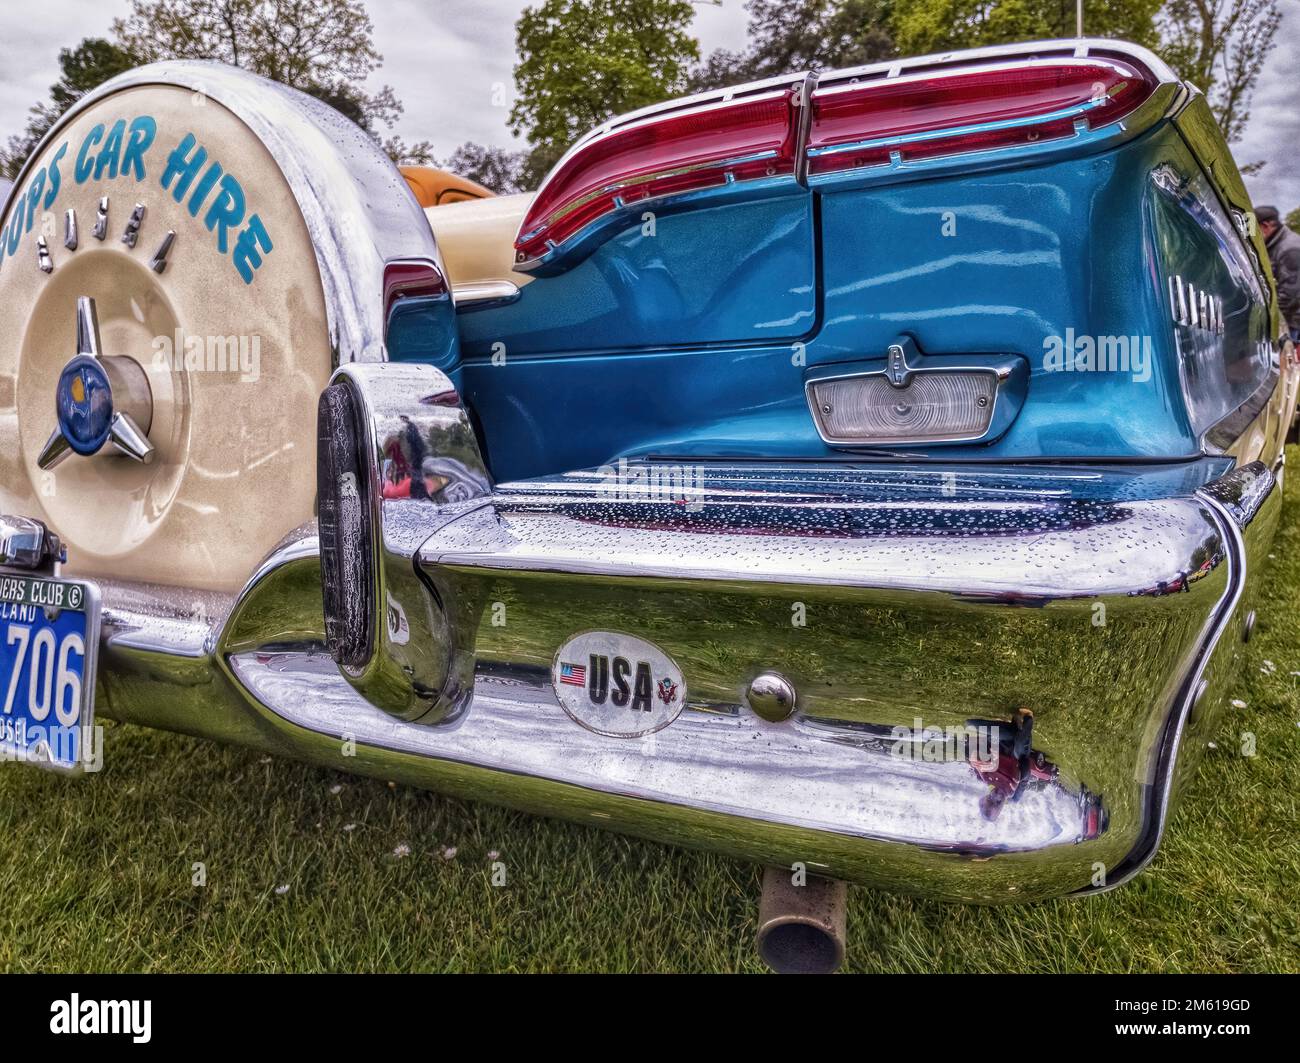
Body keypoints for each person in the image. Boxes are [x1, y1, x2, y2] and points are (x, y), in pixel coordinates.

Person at [1255, 205, 1300, 341]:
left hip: (1292, 321)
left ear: (1265, 226)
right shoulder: (1276, 244)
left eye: (1254, 229)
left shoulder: (1290, 249)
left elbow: (1291, 293)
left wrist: (1270, 319)